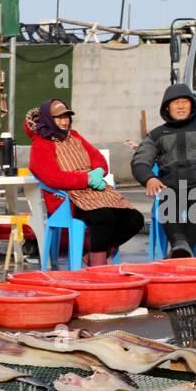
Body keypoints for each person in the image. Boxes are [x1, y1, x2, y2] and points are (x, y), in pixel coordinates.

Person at [25, 99, 143, 266]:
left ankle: (95, 255)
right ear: (48, 119)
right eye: (59, 118)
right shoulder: (41, 145)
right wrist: (86, 179)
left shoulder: (75, 136)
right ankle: (98, 267)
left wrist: (98, 172)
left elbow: (98, 159)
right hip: (67, 198)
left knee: (134, 218)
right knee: (103, 217)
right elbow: (53, 178)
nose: (65, 122)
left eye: (67, 117)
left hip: (95, 192)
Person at [130, 83, 196, 258]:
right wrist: (149, 178)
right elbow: (140, 161)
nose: (180, 106)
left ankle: (179, 250)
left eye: (184, 101)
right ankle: (181, 247)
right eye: (175, 102)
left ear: (192, 105)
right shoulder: (157, 134)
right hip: (172, 186)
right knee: (167, 202)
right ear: (167, 107)